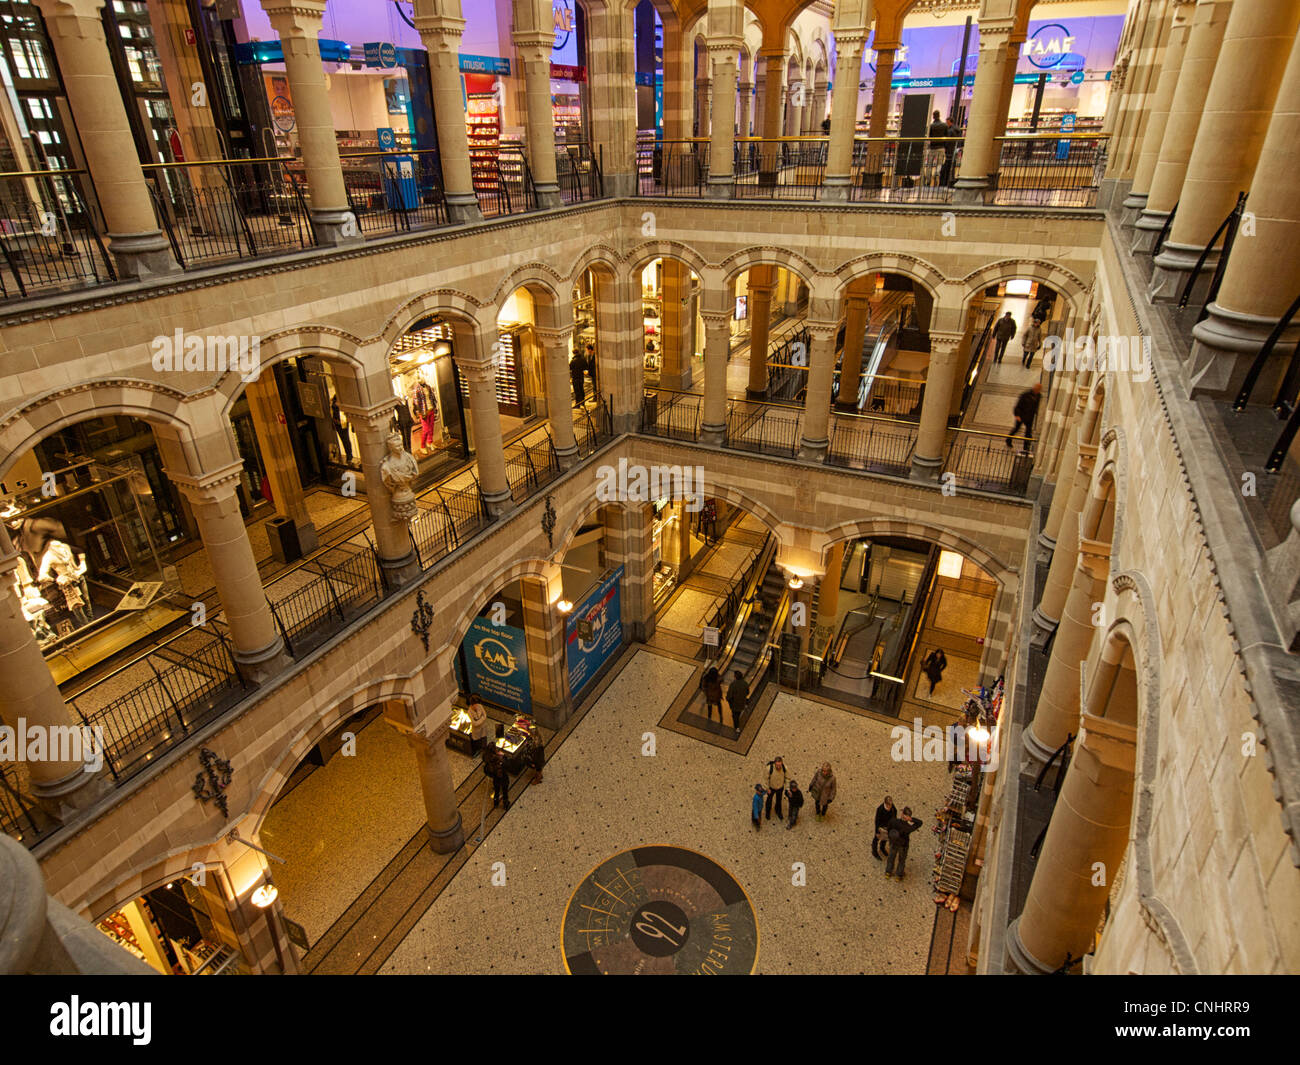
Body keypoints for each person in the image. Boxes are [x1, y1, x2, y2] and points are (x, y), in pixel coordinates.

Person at [884, 806, 923, 880]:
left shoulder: (893, 821)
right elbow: (920, 823)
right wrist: (911, 819)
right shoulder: (908, 827)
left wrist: (890, 838)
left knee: (891, 858)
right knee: (901, 860)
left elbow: (888, 829)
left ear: (902, 814)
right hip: (903, 845)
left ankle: (888, 872)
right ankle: (898, 875)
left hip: (893, 843)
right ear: (908, 817)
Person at [1007, 383, 1042, 447]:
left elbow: (1036, 405)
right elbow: (1018, 405)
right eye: (1037, 389)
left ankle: (1026, 447)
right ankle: (1008, 439)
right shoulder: (1025, 395)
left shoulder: (1039, 396)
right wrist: (1017, 415)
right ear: (1034, 388)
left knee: (1028, 432)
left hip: (1030, 417)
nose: (1038, 390)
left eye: (1039, 389)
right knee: (1016, 429)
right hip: (1021, 415)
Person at [486, 723, 510, 810]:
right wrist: (503, 757)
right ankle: (505, 804)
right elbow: (507, 764)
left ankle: (495, 802)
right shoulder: (499, 761)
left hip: (495, 779)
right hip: (503, 778)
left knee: (496, 791)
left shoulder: (487, 757)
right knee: (505, 792)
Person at [926, 110, 949, 186]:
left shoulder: (931, 126)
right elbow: (947, 136)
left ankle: (928, 180)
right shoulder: (944, 125)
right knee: (939, 164)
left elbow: (929, 136)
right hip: (941, 147)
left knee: (929, 165)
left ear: (933, 116)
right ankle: (937, 174)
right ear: (939, 115)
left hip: (932, 147)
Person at [330, 395, 353, 465]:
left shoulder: (343, 400)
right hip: (337, 423)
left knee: (346, 439)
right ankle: (348, 455)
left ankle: (349, 455)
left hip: (343, 423)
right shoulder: (333, 400)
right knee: (343, 439)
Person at [872, 795, 896, 859]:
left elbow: (894, 817)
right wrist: (877, 831)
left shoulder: (893, 808)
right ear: (885, 803)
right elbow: (877, 821)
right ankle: (874, 852)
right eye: (888, 805)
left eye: (890, 805)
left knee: (885, 838)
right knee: (876, 839)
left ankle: (882, 848)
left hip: (888, 827)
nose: (890, 807)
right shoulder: (880, 809)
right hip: (881, 827)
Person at [765, 756, 787, 821]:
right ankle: (767, 812)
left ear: (782, 763)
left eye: (779, 765)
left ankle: (778, 811)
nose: (778, 767)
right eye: (777, 765)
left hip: (780, 787)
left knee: (779, 800)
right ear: (774, 763)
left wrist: (787, 787)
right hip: (771, 788)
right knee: (769, 800)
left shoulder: (784, 768)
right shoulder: (769, 768)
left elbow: (787, 778)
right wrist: (767, 788)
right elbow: (765, 779)